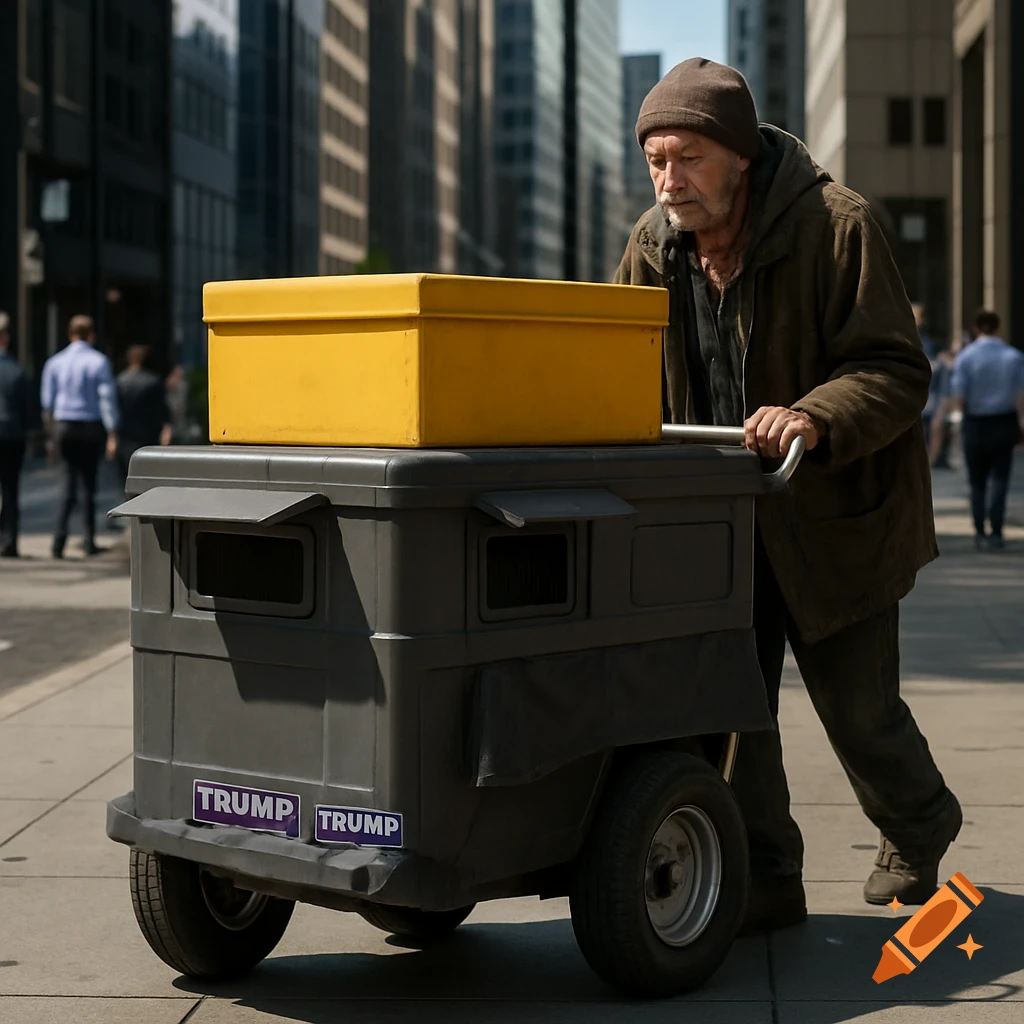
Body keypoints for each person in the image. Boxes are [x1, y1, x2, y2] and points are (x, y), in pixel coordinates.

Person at [616, 58, 961, 932]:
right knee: (733, 716)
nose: (669, 180)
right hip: (718, 524)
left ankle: (919, 825)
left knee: (860, 713)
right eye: (656, 160)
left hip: (834, 519)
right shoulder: (651, 245)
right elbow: (620, 371)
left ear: (739, 155)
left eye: (689, 158)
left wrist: (811, 415)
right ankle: (766, 875)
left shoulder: (838, 226)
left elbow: (896, 370)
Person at [40, 314, 120, 558]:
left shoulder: (55, 362)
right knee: (89, 485)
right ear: (91, 335)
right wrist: (112, 432)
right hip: (90, 426)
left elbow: (47, 402)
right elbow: (106, 398)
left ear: (70, 334)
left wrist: (50, 437)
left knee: (67, 483)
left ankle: (58, 541)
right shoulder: (99, 361)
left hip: (64, 425)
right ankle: (88, 540)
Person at [950, 310, 1024, 550]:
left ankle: (980, 530)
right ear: (998, 327)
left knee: (977, 480)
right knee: (1001, 477)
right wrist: (1021, 424)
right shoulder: (1013, 356)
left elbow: (959, 394)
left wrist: (958, 423)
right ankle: (997, 531)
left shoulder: (966, 357)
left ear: (975, 328)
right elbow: (1019, 396)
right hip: (1004, 421)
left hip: (976, 422)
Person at [114, 345, 173, 498]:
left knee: (126, 476)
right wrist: (166, 430)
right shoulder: (153, 381)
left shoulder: (120, 381)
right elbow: (162, 409)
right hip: (149, 435)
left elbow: (114, 411)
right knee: (147, 475)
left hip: (125, 435)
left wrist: (112, 436)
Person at [0, 311, 30, 558]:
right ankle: (9, 541)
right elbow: (26, 408)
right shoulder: (16, 371)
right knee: (10, 490)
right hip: (11, 435)